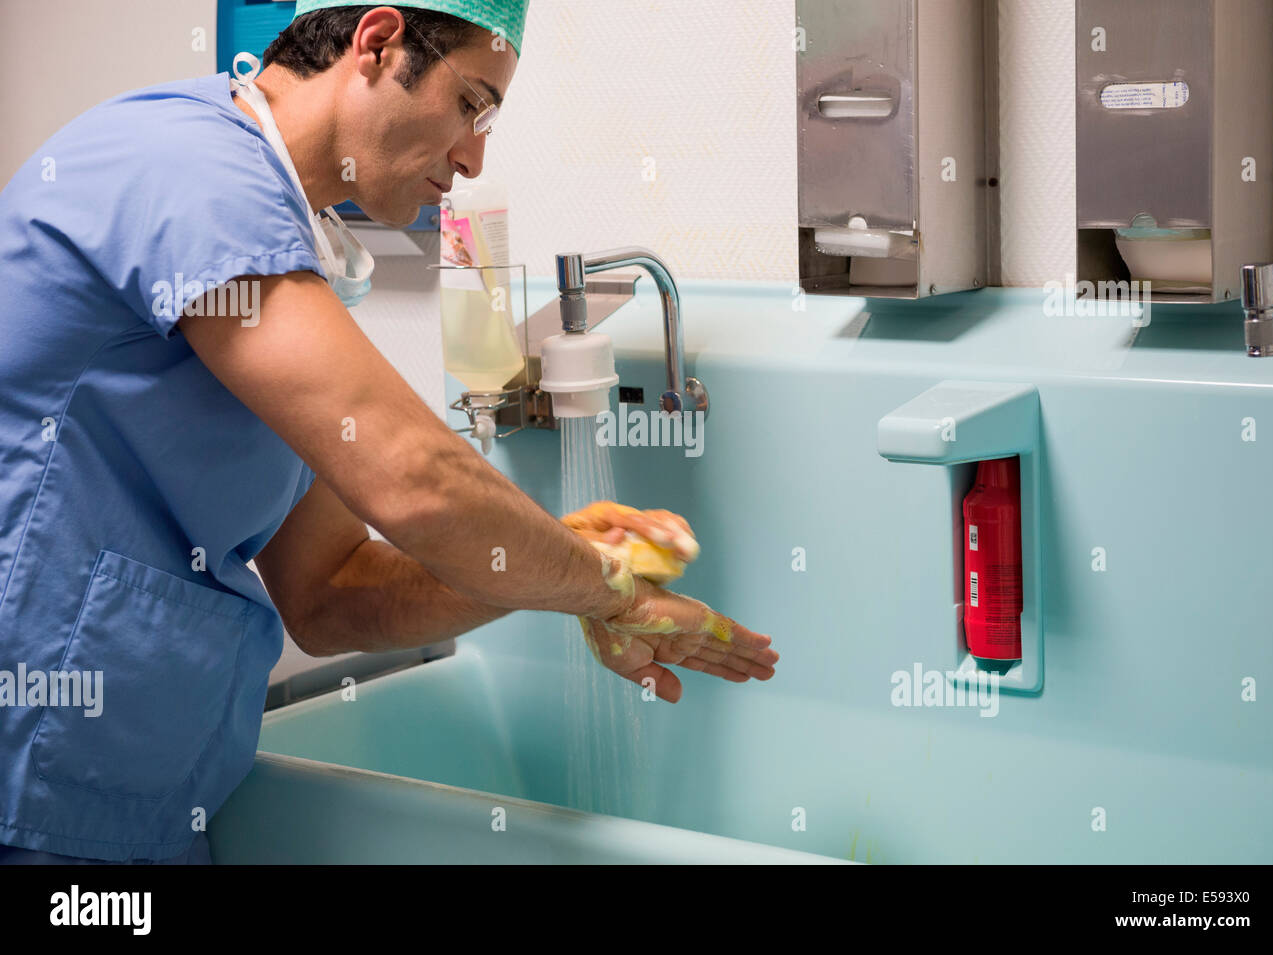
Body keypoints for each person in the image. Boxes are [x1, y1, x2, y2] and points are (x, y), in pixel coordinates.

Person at [0, 1, 777, 864]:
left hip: (127, 803)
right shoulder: (193, 172)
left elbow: (333, 589)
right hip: (29, 778)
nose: (474, 157)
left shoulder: (284, 242)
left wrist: (550, 562)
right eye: (471, 105)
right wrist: (609, 588)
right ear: (376, 43)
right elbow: (415, 476)